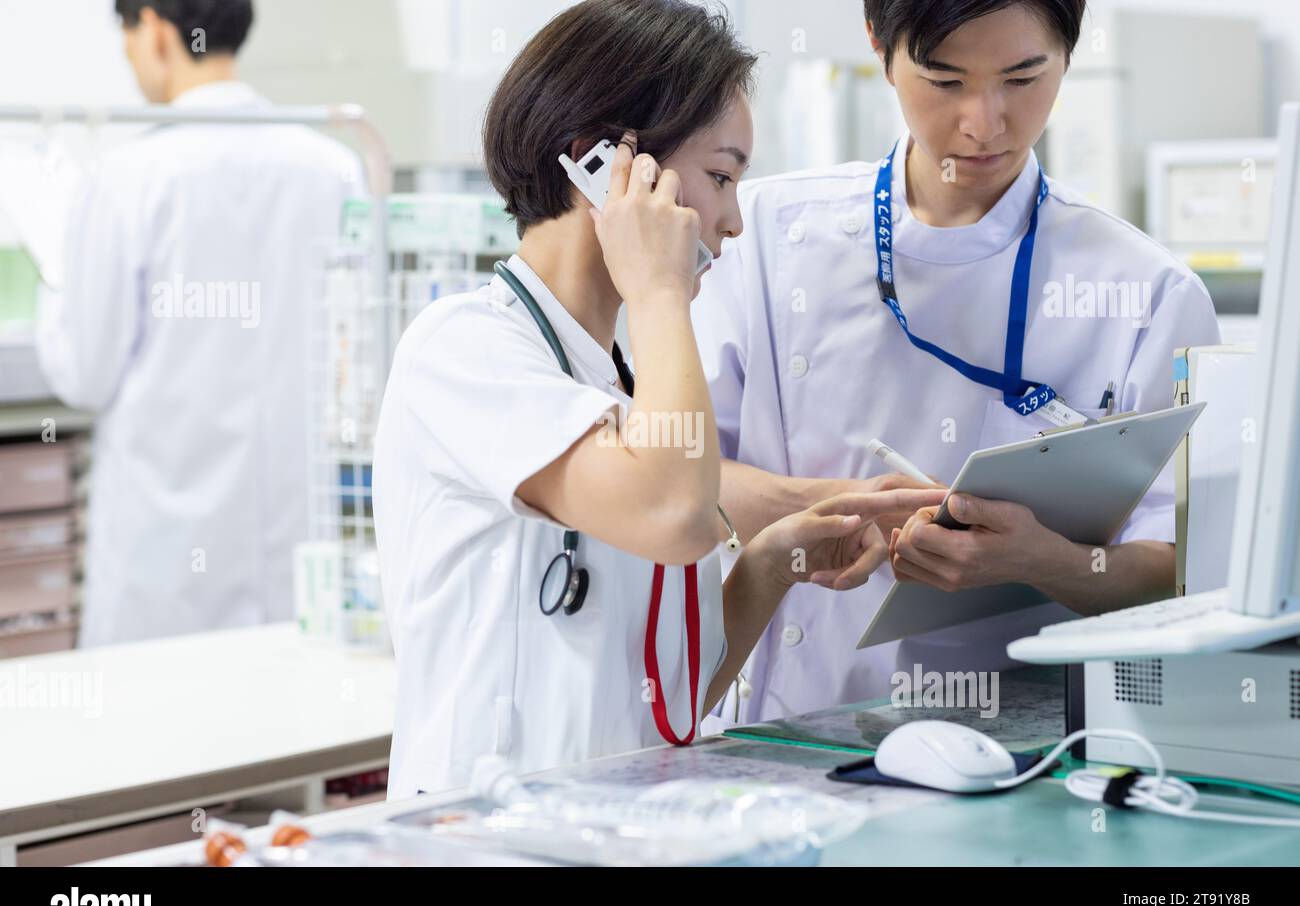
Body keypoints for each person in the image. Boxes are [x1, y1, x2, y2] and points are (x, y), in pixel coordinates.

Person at [371, 0, 944, 798]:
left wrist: (773, 562)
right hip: (485, 842)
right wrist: (657, 288)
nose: (733, 221)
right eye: (719, 177)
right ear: (602, 165)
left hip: (608, 831)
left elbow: (673, 695)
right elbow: (674, 515)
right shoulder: (461, 350)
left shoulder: (618, 385)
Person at [691, 0, 1221, 726]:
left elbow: (1180, 573)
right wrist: (855, 507)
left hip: (1017, 754)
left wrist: (1042, 560)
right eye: (944, 81)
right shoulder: (761, 236)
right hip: (773, 731)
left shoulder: (1147, 292)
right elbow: (682, 480)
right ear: (878, 45)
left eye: (1022, 77)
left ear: (1070, 52)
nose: (983, 122)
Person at [37, 0, 365, 647]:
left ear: (155, 29)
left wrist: (54, 283)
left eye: (127, 38)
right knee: (293, 732)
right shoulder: (332, 168)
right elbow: (350, 357)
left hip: (162, 567)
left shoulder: (124, 178)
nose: (130, 58)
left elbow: (85, 374)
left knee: (160, 738)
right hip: (292, 556)